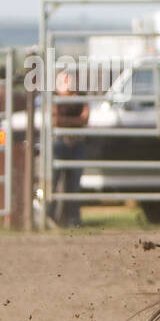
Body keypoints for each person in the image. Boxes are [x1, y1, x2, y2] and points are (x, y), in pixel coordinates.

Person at [50, 67, 90, 227]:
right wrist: (76, 121)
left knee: (74, 183)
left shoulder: (79, 97)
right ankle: (51, 217)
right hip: (61, 142)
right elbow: (55, 120)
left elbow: (85, 119)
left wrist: (65, 121)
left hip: (75, 142)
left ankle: (72, 220)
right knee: (53, 181)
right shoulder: (55, 96)